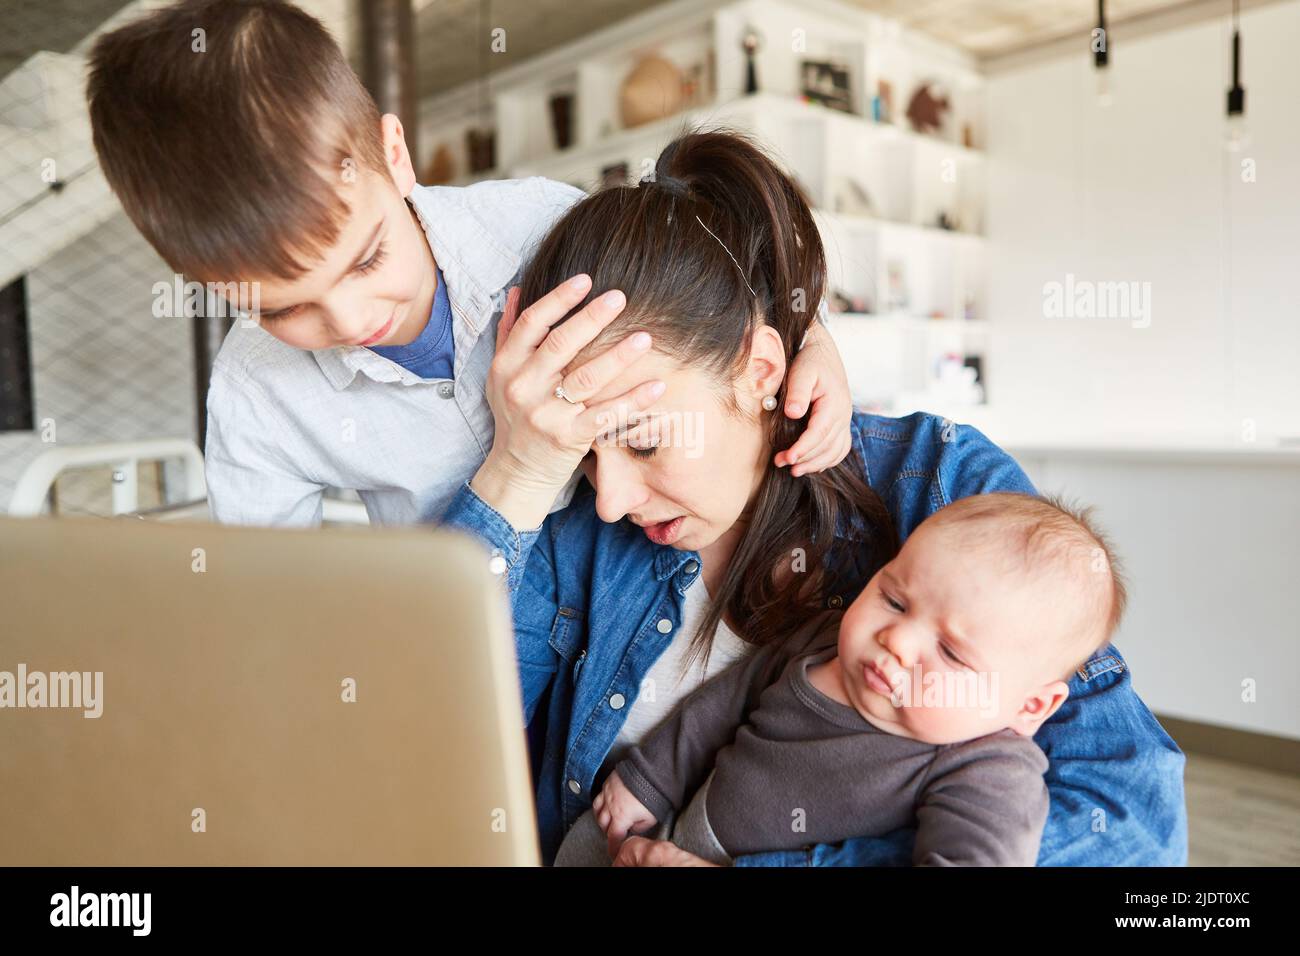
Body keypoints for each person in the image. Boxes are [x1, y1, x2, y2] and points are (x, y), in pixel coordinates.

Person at [442, 129, 1188, 867]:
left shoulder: (935, 483)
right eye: (581, 448)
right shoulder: (567, 515)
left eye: (642, 440)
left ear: (761, 368)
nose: (608, 500)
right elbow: (439, 752)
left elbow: (1128, 819)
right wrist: (518, 469)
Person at [85, 0, 851, 528]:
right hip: (474, 633)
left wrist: (812, 340)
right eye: (282, 308)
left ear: (394, 155)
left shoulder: (539, 220)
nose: (352, 323)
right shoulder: (255, 397)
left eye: (367, 257)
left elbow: (712, 289)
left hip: (631, 572)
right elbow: (272, 603)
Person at [562, 493, 1125, 867]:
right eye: (894, 599)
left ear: (1030, 706)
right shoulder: (822, 641)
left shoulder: (987, 766)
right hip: (674, 826)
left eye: (951, 653)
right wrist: (650, 777)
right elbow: (720, 707)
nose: (897, 641)